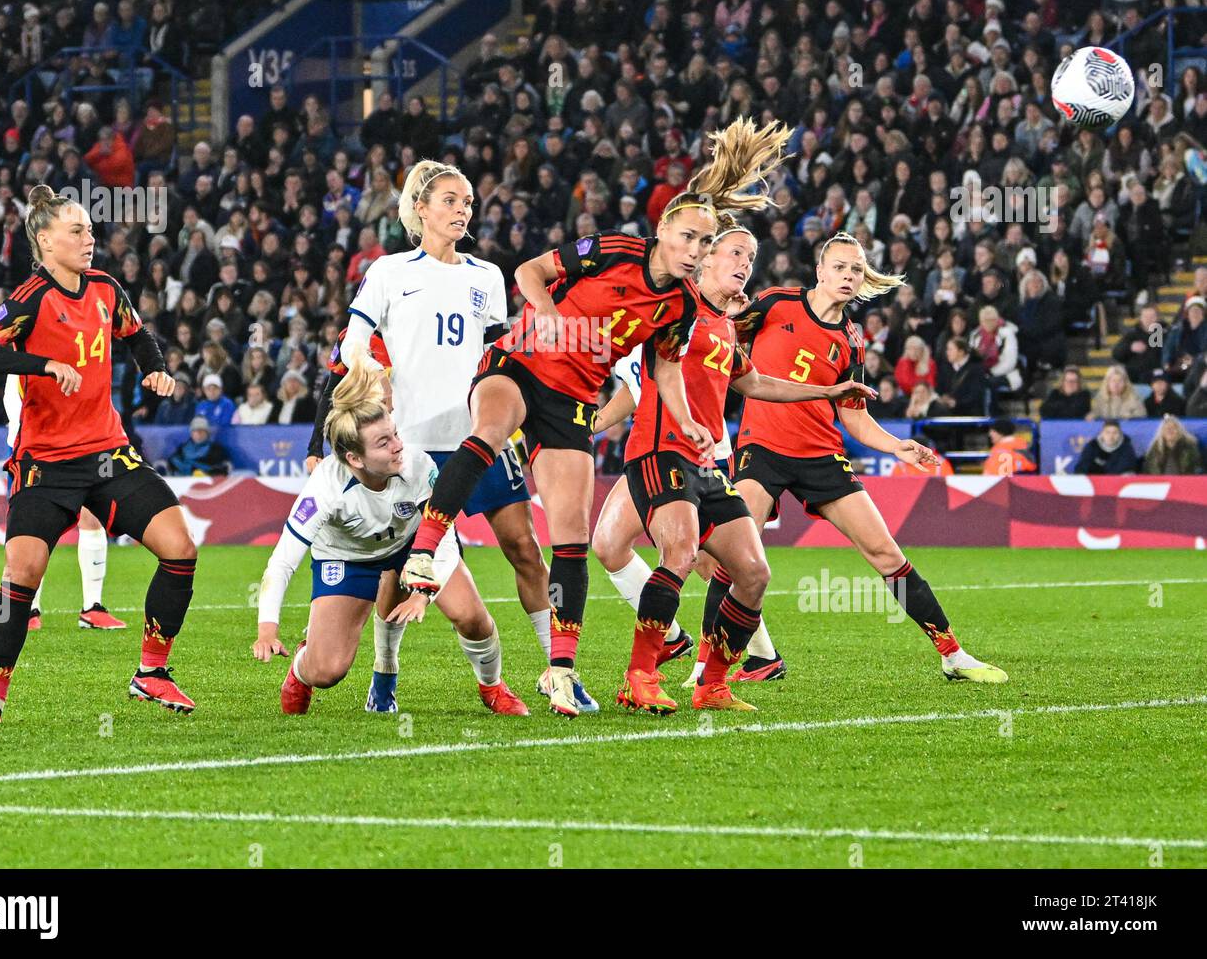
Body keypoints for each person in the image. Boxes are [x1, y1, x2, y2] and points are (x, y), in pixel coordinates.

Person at [400, 118, 782, 717]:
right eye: (686, 239)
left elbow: (664, 370)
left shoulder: (680, 305)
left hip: (572, 404)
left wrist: (684, 422)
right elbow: (530, 271)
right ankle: (426, 546)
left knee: (572, 539)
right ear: (661, 233)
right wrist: (547, 312)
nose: (694, 252)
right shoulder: (613, 249)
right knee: (490, 430)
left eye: (704, 245)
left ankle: (559, 671)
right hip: (521, 363)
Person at [592, 218, 877, 711]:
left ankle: (714, 684)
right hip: (660, 449)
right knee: (678, 555)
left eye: (750, 257)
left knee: (752, 571)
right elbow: (661, 367)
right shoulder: (676, 307)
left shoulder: (725, 324)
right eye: (735, 253)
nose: (745, 265)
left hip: (706, 462)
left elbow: (757, 383)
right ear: (704, 257)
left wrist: (829, 391)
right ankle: (639, 677)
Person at [0, 185, 197, 725]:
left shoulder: (107, 288)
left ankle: (151, 674)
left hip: (108, 452)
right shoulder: (30, 297)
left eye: (89, 229)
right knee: (22, 573)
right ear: (45, 240)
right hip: (45, 463)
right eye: (77, 230)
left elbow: (138, 335)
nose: (90, 238)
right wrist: (41, 365)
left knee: (180, 548)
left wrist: (152, 367)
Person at [323, 160, 556, 711]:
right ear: (420, 209)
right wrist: (365, 370)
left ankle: (557, 668)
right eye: (450, 200)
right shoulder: (389, 272)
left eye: (468, 202)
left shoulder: (487, 276)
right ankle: (385, 672)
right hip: (413, 447)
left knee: (525, 548)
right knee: (404, 569)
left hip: (484, 437)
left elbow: (501, 357)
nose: (462, 210)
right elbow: (352, 340)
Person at [729, 232, 1008, 684]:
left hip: (821, 456)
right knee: (737, 556)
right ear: (820, 271)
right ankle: (726, 663)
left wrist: (897, 445)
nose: (847, 276)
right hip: (760, 449)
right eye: (839, 267)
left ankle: (952, 654)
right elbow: (724, 336)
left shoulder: (852, 343)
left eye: (856, 270)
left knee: (885, 552)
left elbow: (855, 420)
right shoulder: (775, 301)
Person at [253, 356, 528, 717]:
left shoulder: (418, 464)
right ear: (355, 458)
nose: (398, 445)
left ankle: (492, 686)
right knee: (327, 671)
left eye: (395, 434)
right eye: (384, 443)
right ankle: (301, 671)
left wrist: (423, 591)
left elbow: (441, 533)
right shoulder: (325, 488)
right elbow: (283, 560)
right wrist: (267, 628)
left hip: (411, 547)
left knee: (472, 618)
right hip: (348, 558)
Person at [5, 375, 121, 632]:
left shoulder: (72, 349)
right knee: (34, 528)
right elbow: (14, 398)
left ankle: (93, 607)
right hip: (37, 449)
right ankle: (29, 609)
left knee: (92, 518)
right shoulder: (23, 353)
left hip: (82, 444)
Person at [166, 415, 232, 477]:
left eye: (201, 431)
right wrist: (190, 469)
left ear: (207, 433)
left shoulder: (216, 449)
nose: (198, 434)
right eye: (195, 431)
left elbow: (222, 469)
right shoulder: (183, 448)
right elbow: (172, 461)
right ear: (191, 433)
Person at [1074, 420, 1140, 475]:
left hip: (1117, 483)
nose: (1111, 436)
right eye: (1107, 432)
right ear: (1102, 433)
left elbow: (1126, 468)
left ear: (1120, 434)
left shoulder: (1126, 448)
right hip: (1096, 483)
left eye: (1115, 433)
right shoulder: (1092, 446)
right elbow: (1082, 466)